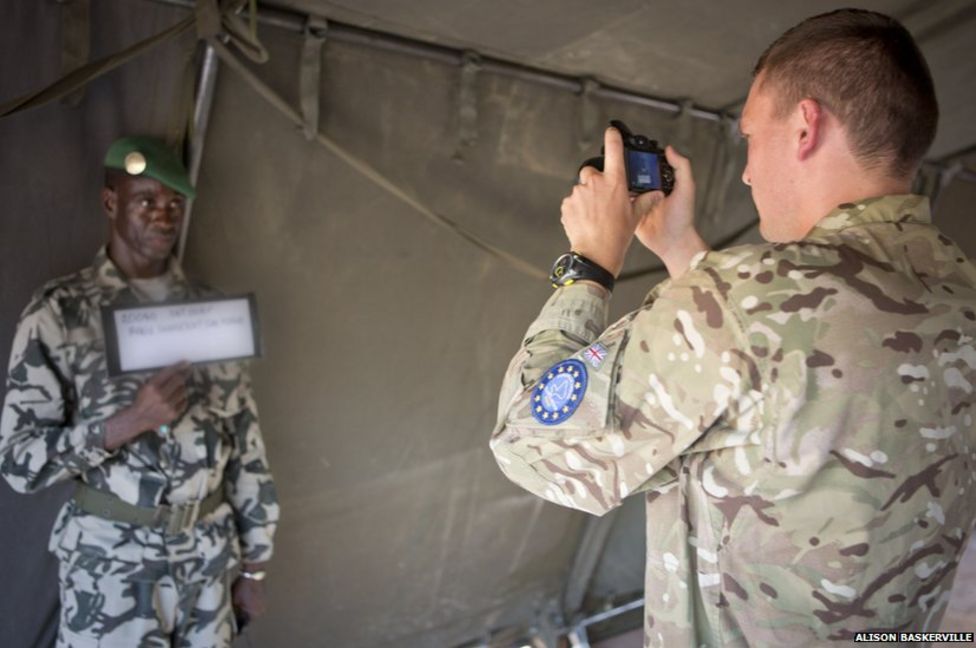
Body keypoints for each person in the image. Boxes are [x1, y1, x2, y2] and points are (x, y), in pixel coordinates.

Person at [491, 9, 976, 646]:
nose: (747, 171)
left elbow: (530, 445)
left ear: (805, 126)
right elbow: (782, 362)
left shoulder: (742, 301)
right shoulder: (958, 289)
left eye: (751, 137)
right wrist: (682, 250)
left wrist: (589, 264)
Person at [0, 136, 280, 646]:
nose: (163, 216)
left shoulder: (211, 313)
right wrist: (129, 422)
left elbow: (247, 445)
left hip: (209, 567)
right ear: (111, 202)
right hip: (112, 574)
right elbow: (18, 463)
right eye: (145, 201)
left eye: (174, 203)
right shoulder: (59, 315)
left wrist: (256, 565)